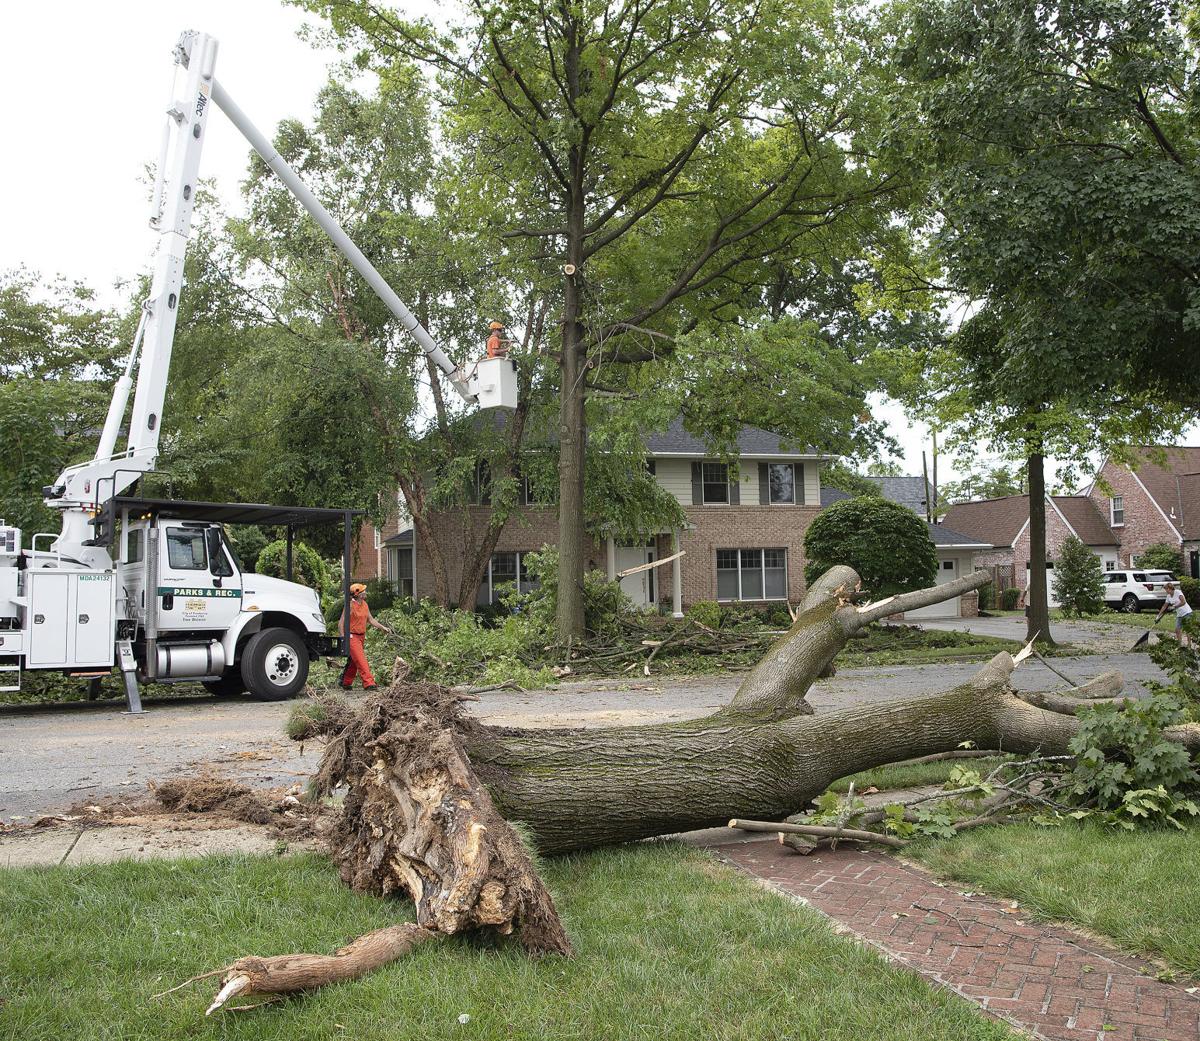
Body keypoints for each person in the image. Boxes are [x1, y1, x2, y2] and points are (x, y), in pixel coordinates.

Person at [338, 582, 393, 690]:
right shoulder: (350, 605)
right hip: (352, 637)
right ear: (358, 594)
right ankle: (369, 683)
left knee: (354, 661)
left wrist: (383, 628)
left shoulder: (365, 604)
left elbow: (371, 620)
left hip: (361, 636)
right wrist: (343, 637)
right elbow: (341, 623)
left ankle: (345, 681)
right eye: (363, 591)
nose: (366, 592)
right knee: (361, 660)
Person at [1154, 581, 1193, 648]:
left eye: (1166, 589)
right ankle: (1179, 645)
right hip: (1179, 614)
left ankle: (1189, 645)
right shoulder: (1168, 596)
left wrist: (1174, 607)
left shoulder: (1178, 592)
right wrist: (1158, 615)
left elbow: (1183, 602)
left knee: (1187, 629)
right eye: (1165, 589)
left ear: (1170, 588)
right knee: (1177, 630)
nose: (1166, 591)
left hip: (1187, 612)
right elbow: (1164, 606)